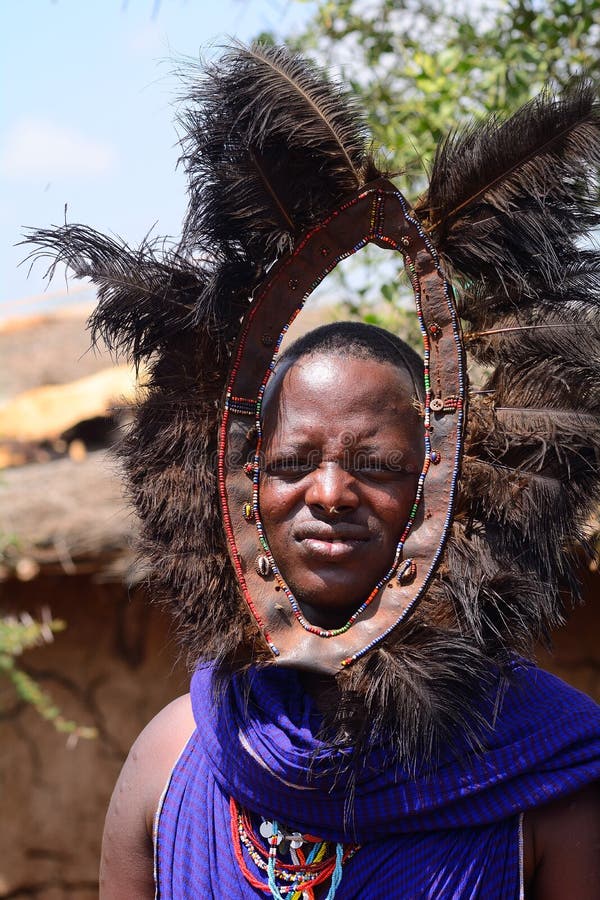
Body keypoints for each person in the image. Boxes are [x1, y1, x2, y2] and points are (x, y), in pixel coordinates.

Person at [27, 44, 600, 899]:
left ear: (447, 482)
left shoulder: (552, 780)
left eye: (375, 465)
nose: (329, 495)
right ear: (241, 486)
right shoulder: (172, 762)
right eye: (293, 463)